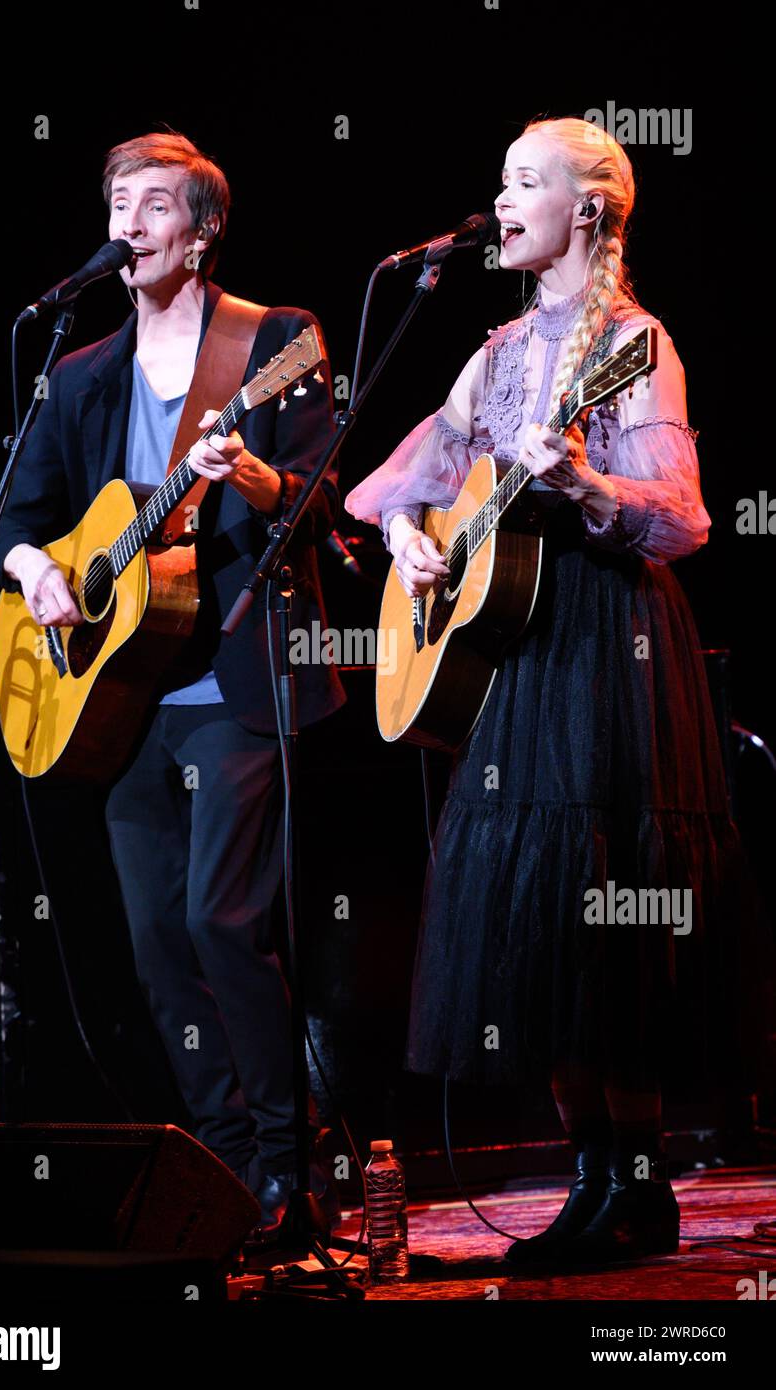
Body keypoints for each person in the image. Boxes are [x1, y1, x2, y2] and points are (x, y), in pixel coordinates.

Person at [345, 116, 775, 1267]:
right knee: (524, 920)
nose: (500, 203)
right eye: (499, 182)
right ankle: (591, 1174)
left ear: (588, 210)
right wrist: (406, 537)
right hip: (514, 657)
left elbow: (684, 516)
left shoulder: (636, 341)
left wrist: (583, 475)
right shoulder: (490, 352)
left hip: (605, 649)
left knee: (600, 918)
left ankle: (639, 1188)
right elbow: (392, 480)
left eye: (522, 184)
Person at [0, 131, 346, 1242]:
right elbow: (10, 517)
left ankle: (291, 1163)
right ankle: (226, 1175)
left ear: (202, 230)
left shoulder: (275, 343)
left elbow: (323, 494)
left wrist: (262, 475)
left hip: (236, 676)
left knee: (224, 919)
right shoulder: (81, 371)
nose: (126, 225)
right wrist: (37, 569)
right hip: (122, 698)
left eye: (150, 206)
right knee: (153, 939)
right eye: (116, 204)